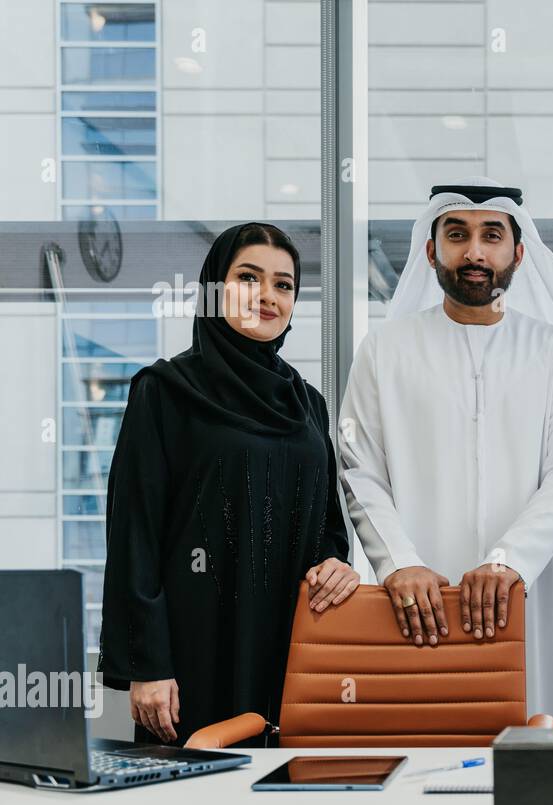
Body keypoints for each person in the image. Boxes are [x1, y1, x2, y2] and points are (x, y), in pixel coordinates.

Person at [339, 178, 553, 724]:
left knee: (534, 752)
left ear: (518, 253)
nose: (474, 252)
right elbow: (360, 470)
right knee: (420, 747)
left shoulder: (552, 352)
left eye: (491, 236)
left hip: (529, 588)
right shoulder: (385, 349)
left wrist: (509, 561)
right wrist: (401, 564)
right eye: (457, 235)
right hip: (417, 596)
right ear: (431, 250)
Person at [99, 223, 358, 745]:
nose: (268, 296)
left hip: (294, 654)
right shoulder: (165, 391)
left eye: (283, 285)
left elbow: (328, 524)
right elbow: (134, 536)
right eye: (248, 278)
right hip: (194, 654)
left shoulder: (307, 403)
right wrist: (147, 665)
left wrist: (338, 563)